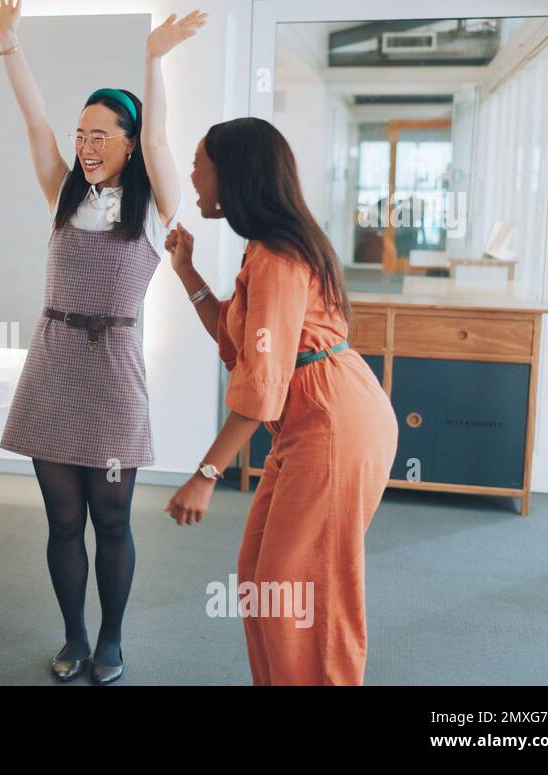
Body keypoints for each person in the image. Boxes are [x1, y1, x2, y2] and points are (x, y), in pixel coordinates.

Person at [0, 0, 207, 684]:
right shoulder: (63, 192)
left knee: (111, 520)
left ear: (129, 142)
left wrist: (154, 56)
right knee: (60, 522)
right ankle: (75, 635)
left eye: (100, 134)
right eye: (80, 133)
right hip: (51, 370)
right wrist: (7, 44)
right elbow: (33, 120)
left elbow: (164, 139)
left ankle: (111, 639)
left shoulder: (152, 203)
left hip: (112, 378)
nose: (84, 144)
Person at [164, 117, 398, 685]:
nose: (193, 175)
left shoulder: (278, 257)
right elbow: (237, 339)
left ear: (234, 173)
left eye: (201, 164)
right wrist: (186, 271)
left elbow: (261, 383)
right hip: (311, 423)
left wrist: (206, 472)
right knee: (262, 580)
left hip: (334, 426)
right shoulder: (263, 249)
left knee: (302, 593)